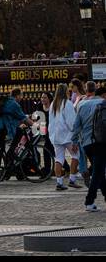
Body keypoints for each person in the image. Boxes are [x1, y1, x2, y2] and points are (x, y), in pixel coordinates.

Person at [73, 83, 106, 211]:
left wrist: (74, 141)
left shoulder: (81, 104)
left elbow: (76, 125)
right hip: (101, 142)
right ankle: (89, 201)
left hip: (86, 144)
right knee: (98, 173)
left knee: (99, 172)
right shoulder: (103, 103)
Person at [0, 89, 32, 177]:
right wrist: (36, 125)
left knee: (1, 147)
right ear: (17, 95)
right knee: (5, 147)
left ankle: (2, 169)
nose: (21, 98)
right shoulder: (13, 104)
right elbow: (23, 118)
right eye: (21, 96)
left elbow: (15, 116)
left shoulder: (7, 101)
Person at [48, 83, 80, 189]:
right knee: (76, 155)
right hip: (67, 134)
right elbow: (71, 121)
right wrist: (76, 132)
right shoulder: (67, 103)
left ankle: (59, 182)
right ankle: (72, 179)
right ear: (66, 91)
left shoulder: (53, 103)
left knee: (59, 158)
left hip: (55, 135)